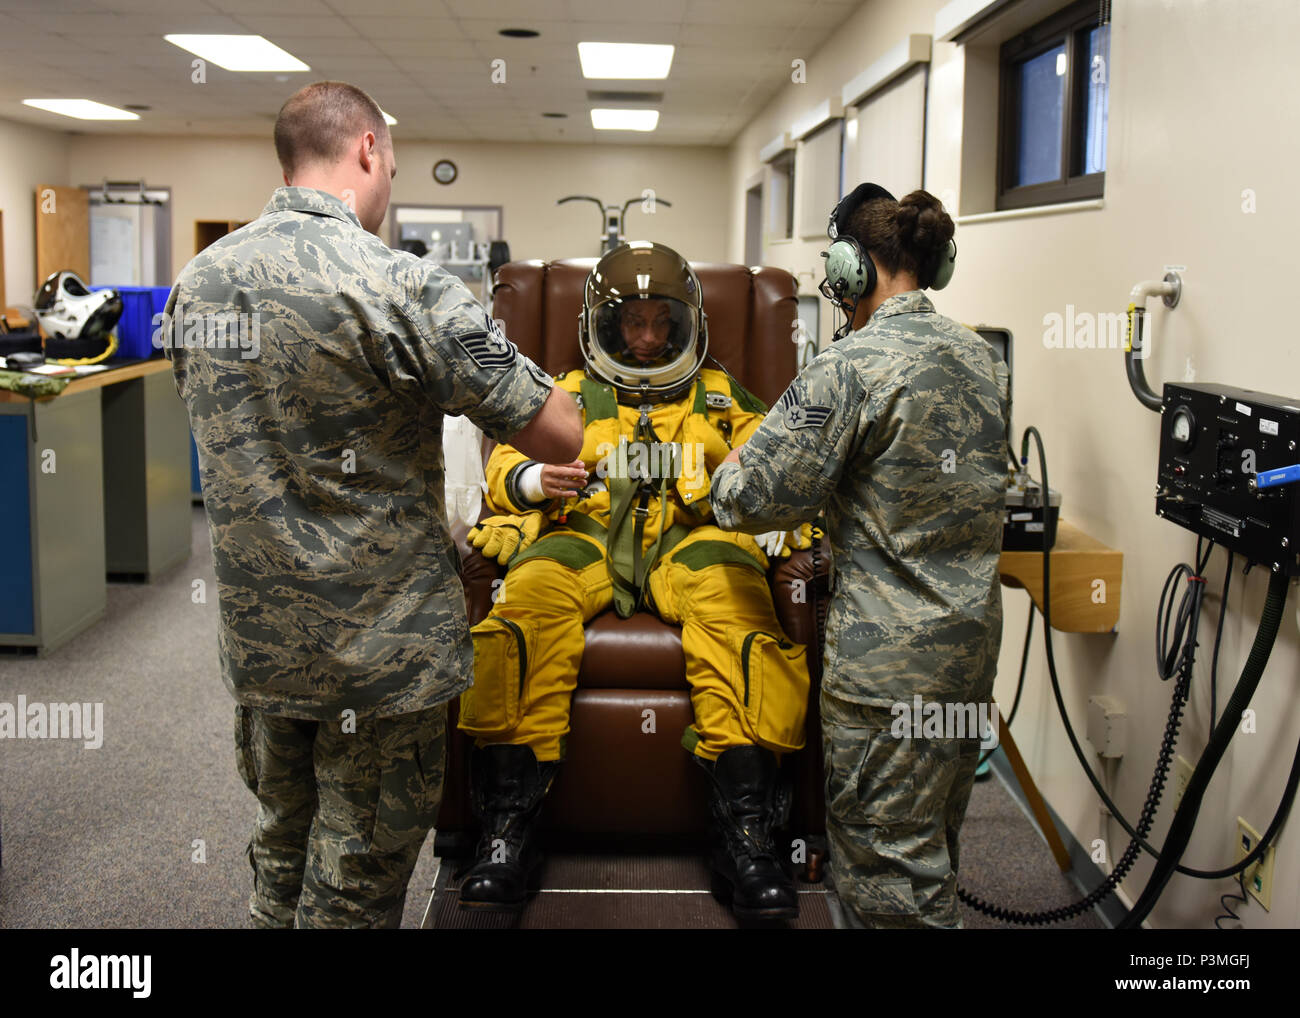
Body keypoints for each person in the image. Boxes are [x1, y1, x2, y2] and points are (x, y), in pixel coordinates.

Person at [164, 80, 581, 929]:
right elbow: (560, 432)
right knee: (355, 878)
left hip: (262, 646)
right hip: (381, 660)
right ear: (365, 150)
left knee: (281, 847)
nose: (388, 180)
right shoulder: (402, 286)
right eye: (391, 159)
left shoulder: (197, 285)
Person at [456, 241, 812, 921]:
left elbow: (779, 450)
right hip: (582, 536)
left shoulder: (715, 392)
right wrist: (533, 479)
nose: (647, 339)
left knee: (740, 618)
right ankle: (508, 830)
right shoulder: (563, 391)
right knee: (525, 610)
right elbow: (502, 458)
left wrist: (754, 474)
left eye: (661, 324)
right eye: (632, 323)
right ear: (604, 326)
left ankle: (746, 838)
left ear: (685, 327)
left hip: (696, 536)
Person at [709, 184, 1009, 929]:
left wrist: (737, 457)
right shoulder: (981, 355)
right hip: (966, 656)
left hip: (886, 673)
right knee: (930, 848)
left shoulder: (850, 367)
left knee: (885, 879)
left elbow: (749, 500)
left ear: (849, 269)